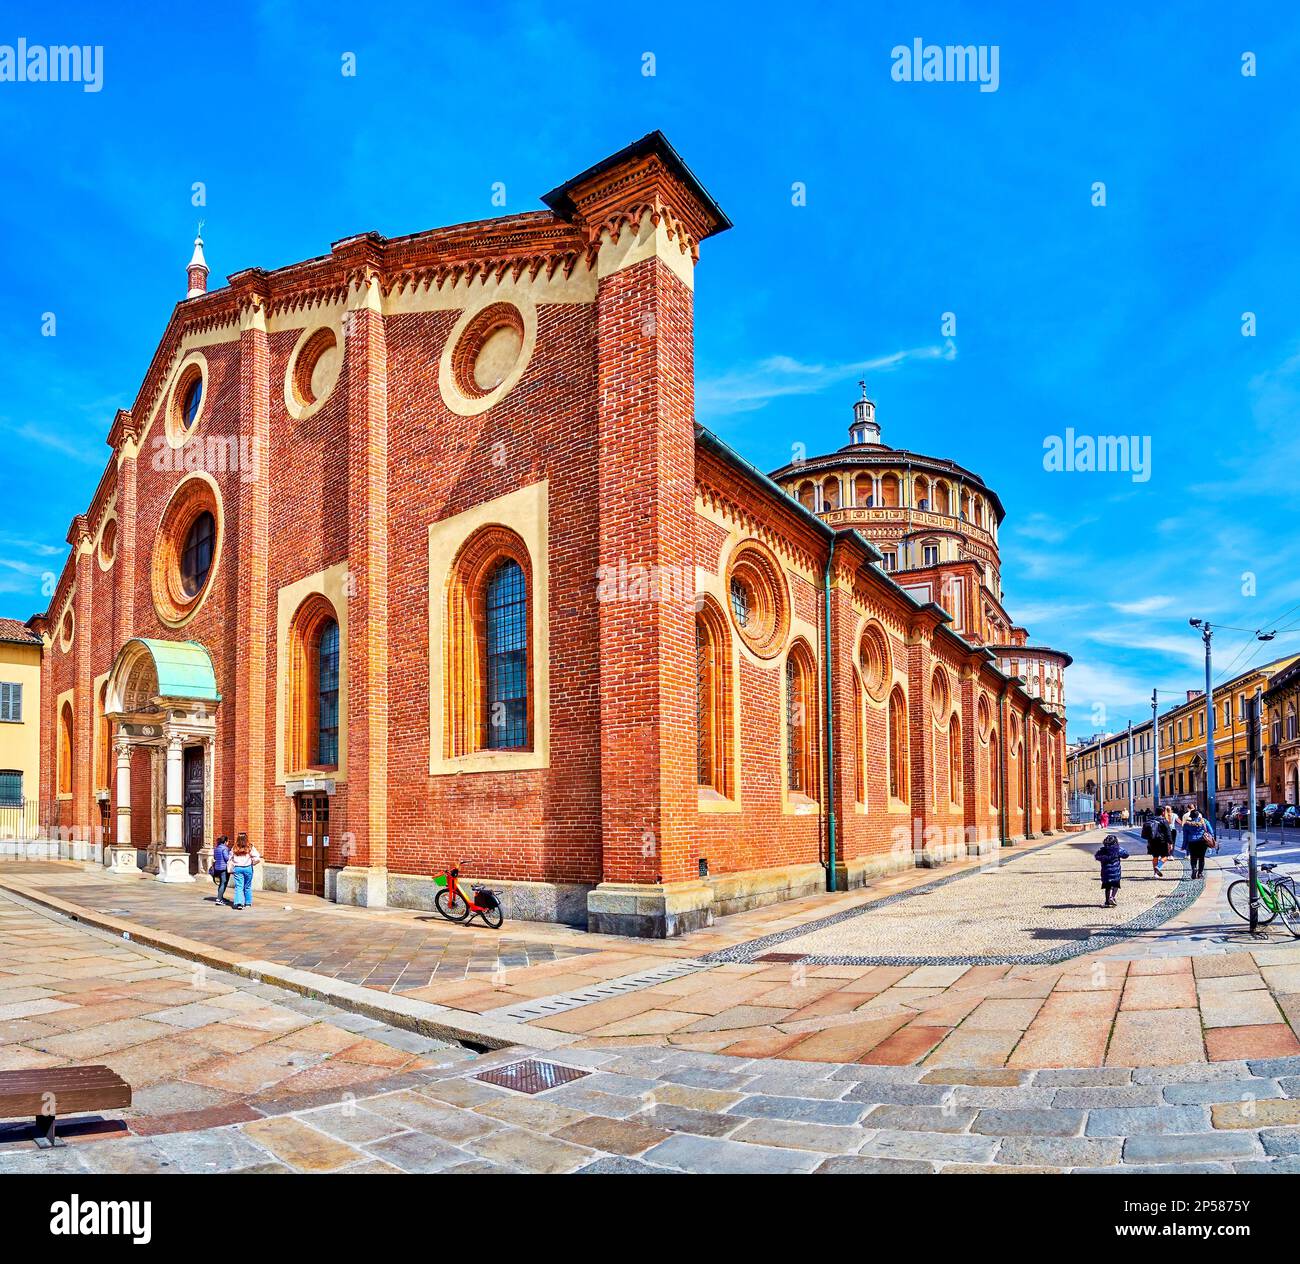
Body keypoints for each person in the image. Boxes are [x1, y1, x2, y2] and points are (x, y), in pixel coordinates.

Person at [1180, 805, 1216, 880]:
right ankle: (1200, 874)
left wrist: (1184, 846)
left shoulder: (1186, 824)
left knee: (1193, 857)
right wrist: (1211, 839)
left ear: (1190, 816)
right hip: (1202, 842)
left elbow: (1185, 836)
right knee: (1201, 858)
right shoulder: (1204, 821)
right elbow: (1211, 831)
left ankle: (1194, 869)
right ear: (1198, 815)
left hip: (1192, 842)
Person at [1094, 833, 1129, 907]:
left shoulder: (1103, 850)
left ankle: (1107, 902)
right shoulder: (1118, 849)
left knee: (1107, 887)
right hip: (1116, 872)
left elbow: (1097, 856)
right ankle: (1112, 897)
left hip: (1106, 872)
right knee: (1116, 885)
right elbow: (1126, 854)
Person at [229, 832, 261, 910]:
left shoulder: (234, 847)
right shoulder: (250, 847)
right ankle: (248, 903)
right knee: (247, 886)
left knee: (239, 886)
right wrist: (252, 863)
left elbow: (230, 858)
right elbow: (257, 858)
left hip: (238, 868)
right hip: (248, 868)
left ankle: (239, 903)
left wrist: (232, 866)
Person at [1147, 804, 1177, 876]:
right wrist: (1170, 843)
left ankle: (1155, 874)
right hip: (1162, 841)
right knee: (1165, 856)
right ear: (1163, 812)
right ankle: (1158, 866)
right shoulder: (1164, 821)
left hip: (1152, 841)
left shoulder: (1150, 819)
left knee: (1155, 856)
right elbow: (1168, 833)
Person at [210, 834, 232, 905]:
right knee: (223, 883)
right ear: (225, 841)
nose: (228, 843)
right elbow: (226, 858)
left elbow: (215, 858)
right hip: (224, 868)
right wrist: (230, 856)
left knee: (221, 883)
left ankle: (220, 897)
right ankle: (219, 899)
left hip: (217, 867)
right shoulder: (225, 848)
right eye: (228, 841)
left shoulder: (216, 848)